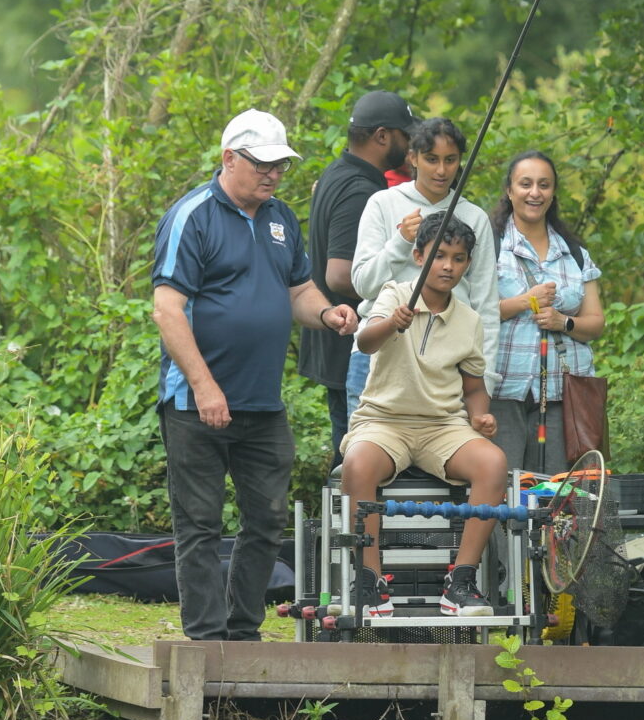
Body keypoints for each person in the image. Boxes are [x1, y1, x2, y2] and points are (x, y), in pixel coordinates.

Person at [153, 109, 357, 641]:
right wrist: (204, 385)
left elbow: (299, 292)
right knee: (200, 523)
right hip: (196, 402)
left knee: (266, 520)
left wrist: (329, 312)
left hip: (263, 404)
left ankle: (243, 631)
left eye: (280, 166)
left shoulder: (281, 217)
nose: (272, 175)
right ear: (229, 159)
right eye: (262, 163)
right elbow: (167, 309)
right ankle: (205, 636)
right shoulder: (192, 215)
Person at [339, 214, 507, 618]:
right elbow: (364, 340)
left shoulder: (470, 321)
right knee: (358, 462)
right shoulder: (393, 293)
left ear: (467, 264)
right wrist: (391, 323)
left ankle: (461, 582)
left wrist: (481, 417)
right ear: (418, 256)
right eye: (439, 256)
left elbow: (473, 388)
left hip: (442, 426)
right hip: (384, 420)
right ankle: (370, 582)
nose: (448, 266)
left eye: (459, 258)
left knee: (493, 463)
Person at [297, 89, 417, 461]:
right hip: (350, 344)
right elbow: (339, 275)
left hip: (338, 342)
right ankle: (351, 521)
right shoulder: (361, 190)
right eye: (405, 135)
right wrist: (408, 293)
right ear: (383, 136)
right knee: (356, 460)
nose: (411, 144)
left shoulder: (338, 172)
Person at [350, 116, 500, 391]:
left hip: (449, 360)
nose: (442, 170)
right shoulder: (382, 203)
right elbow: (364, 284)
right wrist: (400, 241)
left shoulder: (474, 217)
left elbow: (486, 307)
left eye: (450, 160)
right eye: (431, 159)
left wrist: (484, 382)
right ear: (413, 158)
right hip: (380, 355)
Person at [489, 149, 605, 475]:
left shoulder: (575, 254)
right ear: (510, 191)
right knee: (502, 488)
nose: (535, 193)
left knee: (556, 491)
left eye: (544, 185)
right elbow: (470, 315)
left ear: (553, 193)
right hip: (501, 389)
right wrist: (526, 301)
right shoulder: (489, 247)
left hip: (560, 396)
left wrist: (563, 322)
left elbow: (595, 323)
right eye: (525, 184)